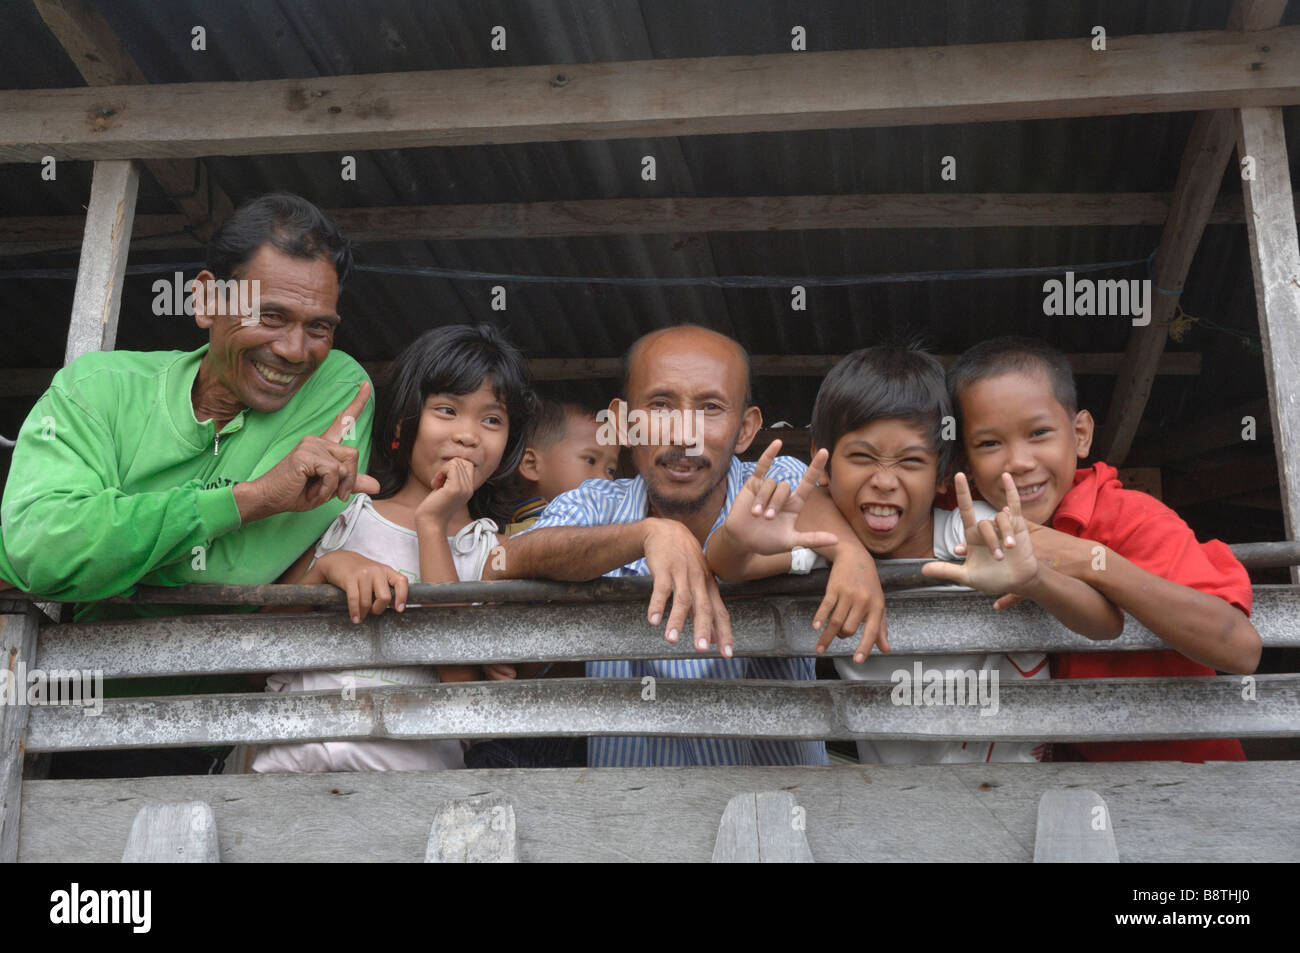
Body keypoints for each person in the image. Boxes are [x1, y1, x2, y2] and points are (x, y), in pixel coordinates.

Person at [0, 193, 373, 776]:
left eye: (318, 327)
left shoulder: (337, 388)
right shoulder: (98, 389)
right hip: (68, 724)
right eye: (270, 316)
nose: (295, 351)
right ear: (205, 298)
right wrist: (250, 500)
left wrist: (108, 557)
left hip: (216, 741)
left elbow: (231, 574)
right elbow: (43, 549)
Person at [485, 324, 886, 767]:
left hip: (779, 815)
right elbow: (502, 563)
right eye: (660, 405)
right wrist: (648, 534)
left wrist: (853, 554)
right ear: (622, 423)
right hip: (633, 818)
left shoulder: (775, 485)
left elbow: (816, 510)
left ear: (745, 429)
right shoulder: (596, 502)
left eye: (711, 407)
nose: (684, 435)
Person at [709, 346, 1118, 763]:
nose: (884, 481)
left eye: (910, 461)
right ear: (824, 461)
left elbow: (1104, 623)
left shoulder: (972, 529)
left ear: (943, 473)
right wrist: (739, 539)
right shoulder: (825, 544)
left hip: (1015, 792)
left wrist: (1035, 580)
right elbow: (729, 567)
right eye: (862, 457)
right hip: (896, 804)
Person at [941, 336, 1261, 762]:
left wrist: (1090, 560)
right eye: (989, 444)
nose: (1018, 461)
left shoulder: (1132, 517)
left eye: (1039, 433)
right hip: (1074, 784)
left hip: (1195, 780)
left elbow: (1240, 649)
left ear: (1080, 435)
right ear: (965, 464)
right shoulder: (966, 517)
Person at [253, 324, 532, 773]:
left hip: (413, 801)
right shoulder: (344, 516)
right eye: (446, 410)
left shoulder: (492, 553)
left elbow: (461, 691)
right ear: (404, 423)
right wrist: (327, 569)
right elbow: (254, 651)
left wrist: (432, 526)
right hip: (289, 775)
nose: (468, 435)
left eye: (492, 419)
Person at [504, 399, 620, 535]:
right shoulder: (510, 540)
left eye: (610, 470)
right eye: (590, 460)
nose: (604, 479)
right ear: (532, 465)